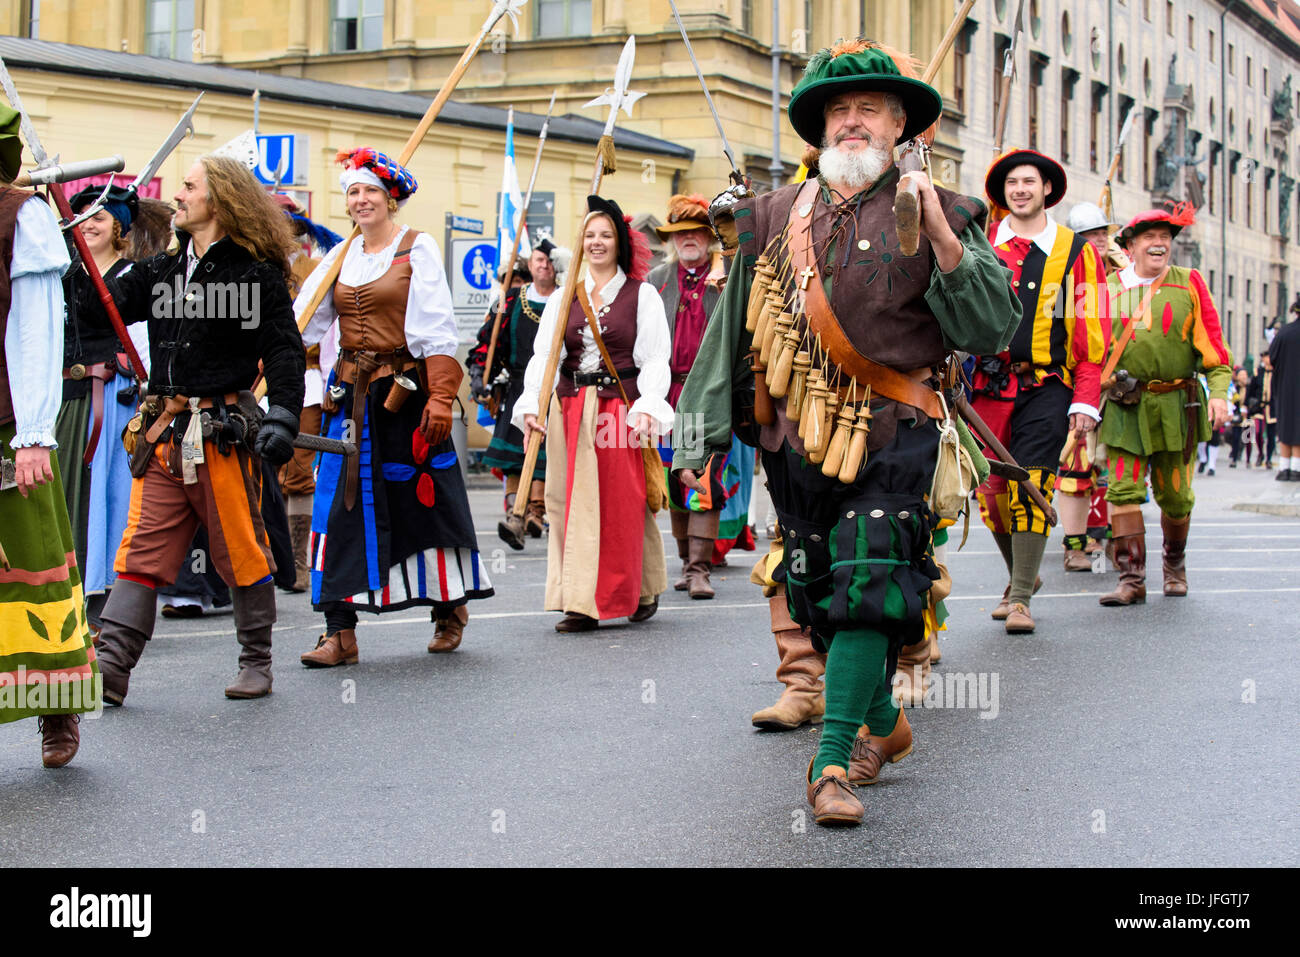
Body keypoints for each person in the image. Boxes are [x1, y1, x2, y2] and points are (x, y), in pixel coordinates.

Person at [672, 40, 1020, 825]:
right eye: (839, 110)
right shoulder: (767, 215)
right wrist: (695, 438)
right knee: (815, 598)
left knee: (868, 589)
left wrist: (938, 232)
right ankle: (886, 727)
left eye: (869, 108)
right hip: (794, 435)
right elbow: (733, 334)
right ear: (821, 129)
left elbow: (994, 327)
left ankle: (830, 765)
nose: (852, 121)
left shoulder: (950, 209)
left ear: (901, 126)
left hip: (898, 430)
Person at [90, 154, 306, 703]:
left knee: (241, 548)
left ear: (220, 199)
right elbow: (98, 303)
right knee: (140, 552)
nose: (178, 196)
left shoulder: (253, 273)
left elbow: (283, 350)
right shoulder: (162, 268)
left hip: (222, 433)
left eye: (188, 187)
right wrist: (82, 242)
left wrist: (282, 413)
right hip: (162, 435)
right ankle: (111, 668)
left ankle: (256, 661)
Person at [298, 148, 492, 666]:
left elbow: (438, 330)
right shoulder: (339, 256)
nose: (360, 200)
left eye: (370, 192)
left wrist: (442, 397)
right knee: (336, 510)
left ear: (391, 199)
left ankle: (449, 608)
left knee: (422, 504)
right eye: (353, 193)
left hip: (405, 395)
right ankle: (339, 631)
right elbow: (308, 326)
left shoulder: (416, 248)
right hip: (352, 403)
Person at [516, 195, 672, 632]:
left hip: (617, 411)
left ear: (620, 243)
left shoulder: (642, 296)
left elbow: (657, 359)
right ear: (580, 243)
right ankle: (580, 600)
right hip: (570, 408)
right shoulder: (567, 295)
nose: (597, 243)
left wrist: (646, 408)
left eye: (605, 235)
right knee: (568, 504)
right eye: (589, 235)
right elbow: (545, 355)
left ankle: (639, 587)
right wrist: (532, 405)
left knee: (623, 503)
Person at [971, 150, 1111, 632]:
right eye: (1011, 182)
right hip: (986, 385)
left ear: (1047, 188)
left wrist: (1085, 400)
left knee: (1031, 482)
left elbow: (1092, 334)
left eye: (1029, 181)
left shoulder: (1077, 251)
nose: (1020, 189)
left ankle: (1022, 599)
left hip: (1047, 386)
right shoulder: (983, 243)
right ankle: (1021, 577)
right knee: (991, 494)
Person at [0, 105, 99, 766]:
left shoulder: (19, 215)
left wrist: (34, 433)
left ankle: (55, 704)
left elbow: (36, 326)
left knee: (32, 571)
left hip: (7, 428)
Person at [1097, 207, 1232, 605]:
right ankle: (1131, 579)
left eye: (1165, 237)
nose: (1159, 243)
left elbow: (1214, 347)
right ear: (1131, 245)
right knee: (1122, 491)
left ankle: (1174, 565)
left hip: (1178, 404)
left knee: (1175, 496)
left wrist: (1220, 393)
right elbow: (1090, 351)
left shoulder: (1189, 282)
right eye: (1150, 237)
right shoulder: (1106, 288)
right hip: (1125, 406)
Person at [53, 185, 145, 631]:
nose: (89, 223)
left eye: (101, 217)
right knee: (66, 490)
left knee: (110, 493)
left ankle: (102, 593)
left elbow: (142, 340)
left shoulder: (130, 275)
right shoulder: (64, 270)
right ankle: (63, 587)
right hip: (64, 396)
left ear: (120, 230)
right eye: (84, 214)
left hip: (110, 398)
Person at [646, 193, 729, 599]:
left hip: (706, 395)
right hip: (666, 394)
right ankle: (684, 564)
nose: (688, 240)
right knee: (673, 480)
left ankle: (700, 570)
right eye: (680, 234)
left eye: (695, 232)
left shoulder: (725, 275)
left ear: (708, 236)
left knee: (702, 477)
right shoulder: (655, 280)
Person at [467, 239, 568, 548]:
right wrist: (478, 372)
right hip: (518, 387)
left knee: (543, 456)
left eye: (549, 261)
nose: (543, 265)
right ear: (530, 264)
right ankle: (516, 515)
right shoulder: (510, 300)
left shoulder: (567, 300)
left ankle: (535, 513)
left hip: (556, 389)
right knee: (514, 458)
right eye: (538, 260)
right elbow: (488, 339)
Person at [1057, 201, 1119, 570]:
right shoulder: (1069, 277)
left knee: (1111, 468)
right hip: (1084, 381)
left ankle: (1108, 536)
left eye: (1102, 234)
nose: (1098, 241)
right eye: (1090, 235)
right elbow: (1074, 331)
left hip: (1118, 385)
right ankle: (1076, 544)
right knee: (1078, 466)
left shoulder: (1123, 275)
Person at [1269, 315, 1300, 480]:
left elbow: (1272, 357)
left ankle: (1284, 466)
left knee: (1285, 423)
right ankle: (1296, 468)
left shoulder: (1284, 333)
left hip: (1285, 386)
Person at [1249, 352, 1278, 469]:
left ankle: (1269, 459)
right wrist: (1247, 405)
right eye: (1264, 357)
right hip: (1259, 407)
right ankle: (1260, 453)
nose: (1266, 359)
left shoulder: (1277, 373)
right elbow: (1251, 390)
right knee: (1258, 432)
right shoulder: (1258, 372)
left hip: (1272, 408)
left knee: (1271, 435)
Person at [1227, 367, 1253, 468]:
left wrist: (1248, 408)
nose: (1243, 376)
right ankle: (1234, 458)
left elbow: (1253, 398)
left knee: (1248, 438)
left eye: (1245, 374)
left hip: (1249, 415)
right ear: (1237, 376)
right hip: (1237, 415)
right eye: (1241, 374)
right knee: (1236, 437)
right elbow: (1231, 400)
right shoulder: (1234, 388)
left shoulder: (1250, 387)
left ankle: (1248, 460)